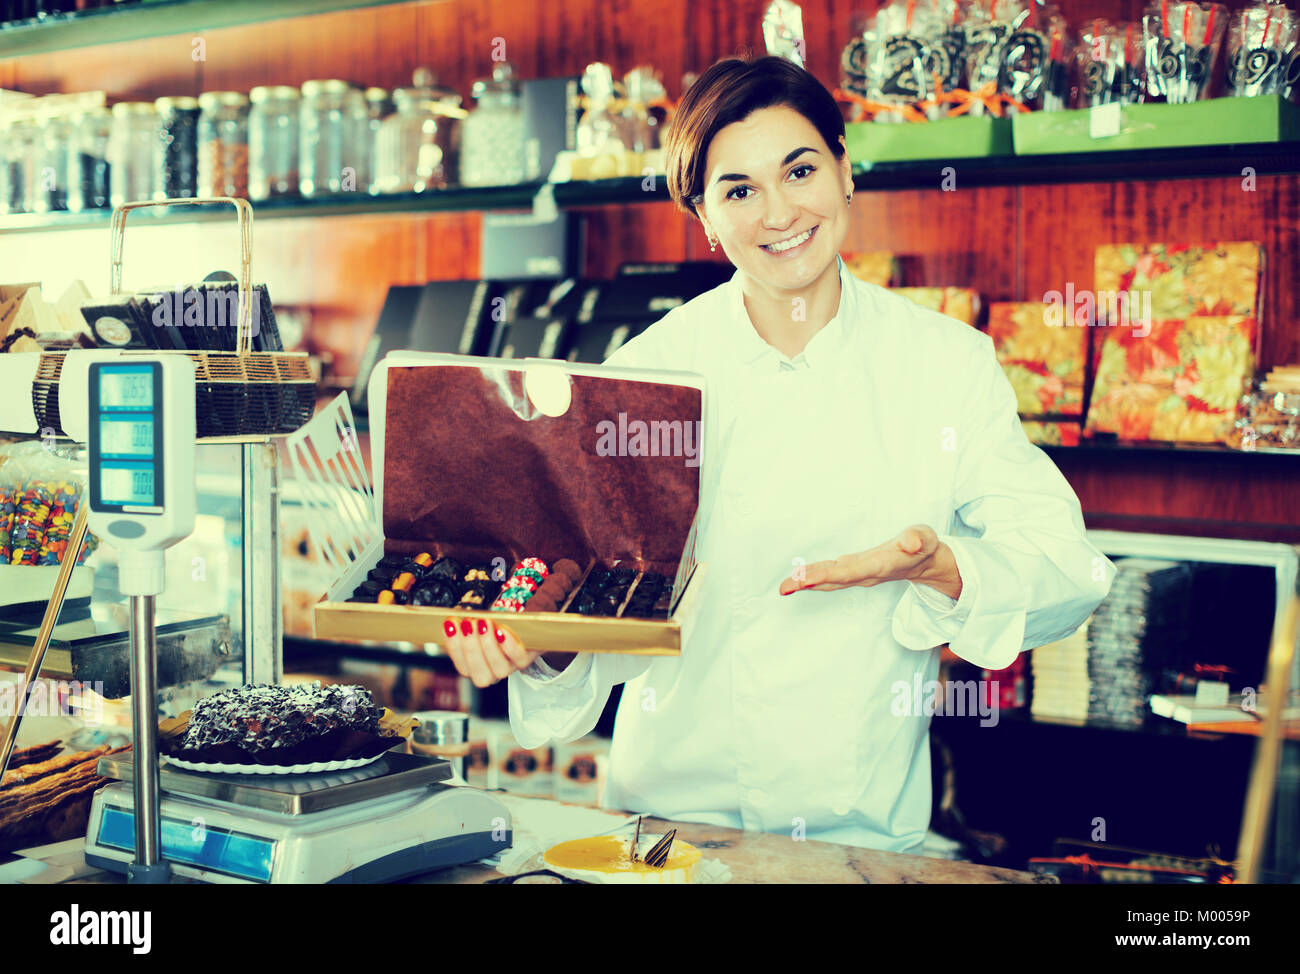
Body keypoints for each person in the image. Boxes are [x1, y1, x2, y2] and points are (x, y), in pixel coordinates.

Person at [437, 54, 1115, 854]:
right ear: (705, 221)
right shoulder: (646, 377)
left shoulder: (944, 363)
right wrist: (531, 647)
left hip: (862, 844)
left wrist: (941, 568)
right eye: (738, 190)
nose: (778, 211)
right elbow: (596, 627)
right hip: (666, 840)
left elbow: (1068, 571)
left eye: (800, 170)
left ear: (845, 171)